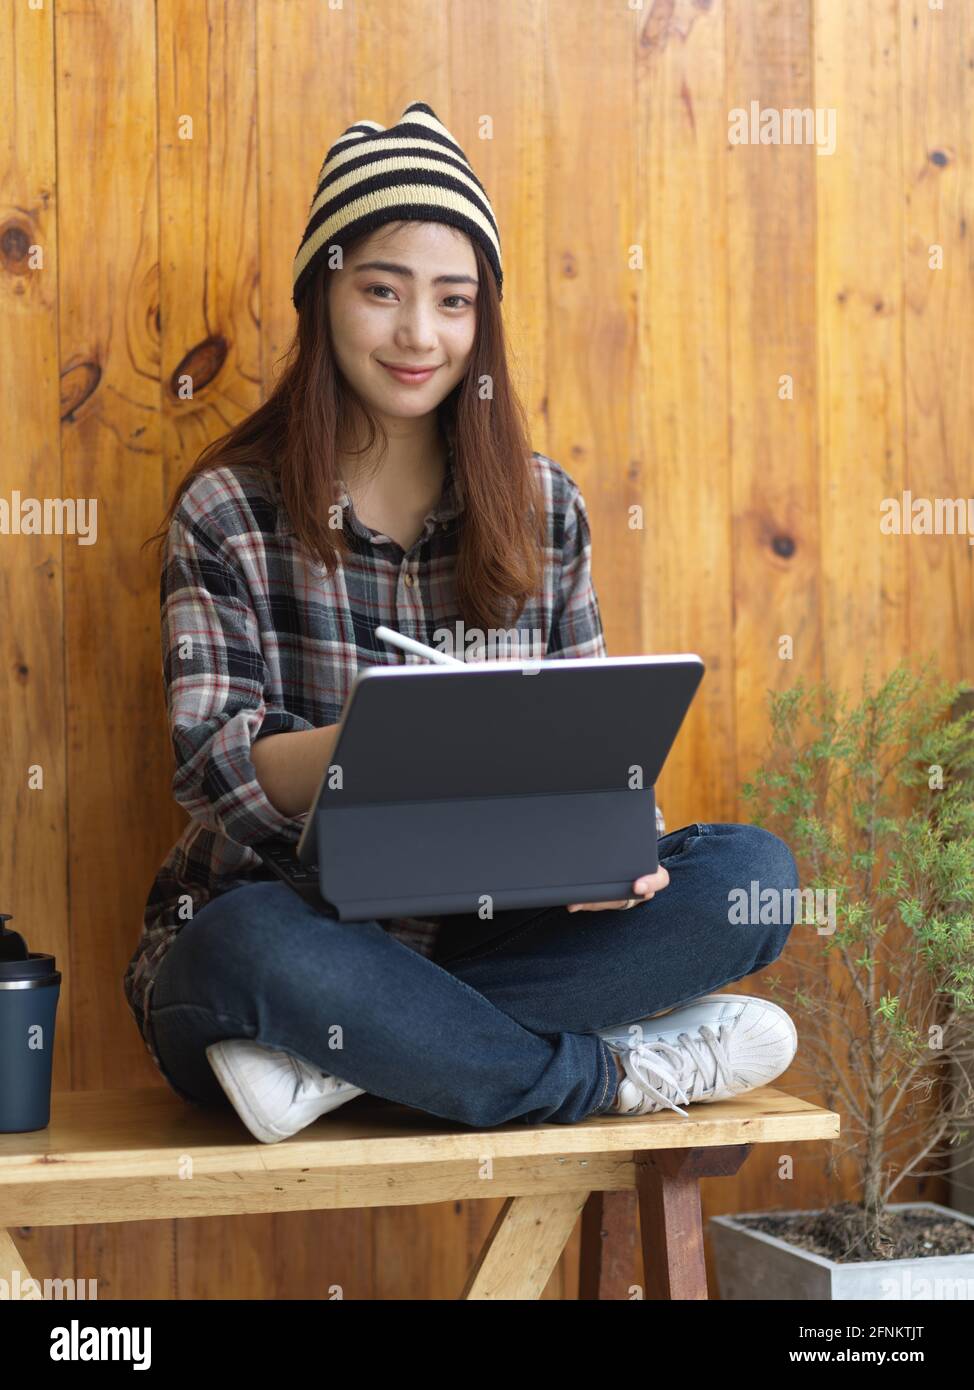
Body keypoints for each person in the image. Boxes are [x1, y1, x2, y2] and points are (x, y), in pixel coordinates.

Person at [124, 101, 800, 1145]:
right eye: (380, 292)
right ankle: (610, 1071)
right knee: (236, 944)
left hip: (486, 941)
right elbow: (213, 768)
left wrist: (611, 847)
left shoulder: (541, 508)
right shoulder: (229, 508)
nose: (418, 335)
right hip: (293, 940)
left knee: (751, 878)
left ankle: (356, 1062)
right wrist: (375, 745)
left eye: (453, 301)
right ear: (322, 296)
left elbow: (599, 753)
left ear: (483, 317)